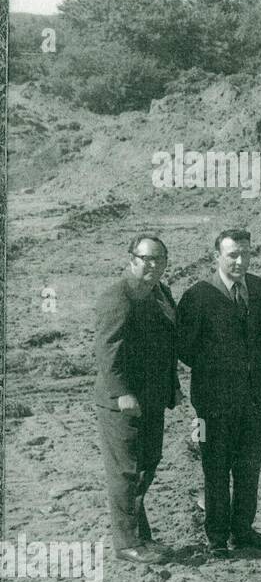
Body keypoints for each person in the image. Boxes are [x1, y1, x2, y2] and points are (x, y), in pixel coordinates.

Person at [177, 229, 261, 557]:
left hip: (253, 396)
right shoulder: (198, 295)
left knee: (249, 467)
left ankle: (243, 530)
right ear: (216, 257)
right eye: (232, 254)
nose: (240, 261)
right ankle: (217, 537)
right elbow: (186, 349)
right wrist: (219, 369)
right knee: (216, 469)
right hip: (213, 402)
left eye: (246, 254)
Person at [94, 233, 182, 564]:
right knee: (126, 471)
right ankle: (127, 543)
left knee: (147, 464)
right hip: (124, 402)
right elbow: (108, 350)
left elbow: (166, 345)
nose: (154, 265)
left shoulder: (161, 293)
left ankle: (141, 537)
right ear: (132, 259)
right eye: (147, 259)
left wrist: (171, 384)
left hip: (153, 397)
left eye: (160, 259)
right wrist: (123, 393)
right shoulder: (118, 297)